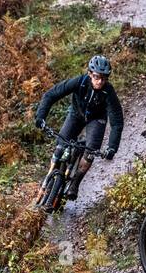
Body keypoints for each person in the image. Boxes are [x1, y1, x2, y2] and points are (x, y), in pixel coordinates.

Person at [34, 54, 123, 204]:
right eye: (96, 77)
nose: (100, 81)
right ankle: (49, 177)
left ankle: (75, 183)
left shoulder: (109, 92)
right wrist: (40, 117)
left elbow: (117, 122)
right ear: (90, 74)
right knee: (60, 144)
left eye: (104, 78)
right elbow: (51, 95)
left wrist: (112, 147)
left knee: (91, 151)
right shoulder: (79, 82)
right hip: (76, 114)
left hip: (96, 119)